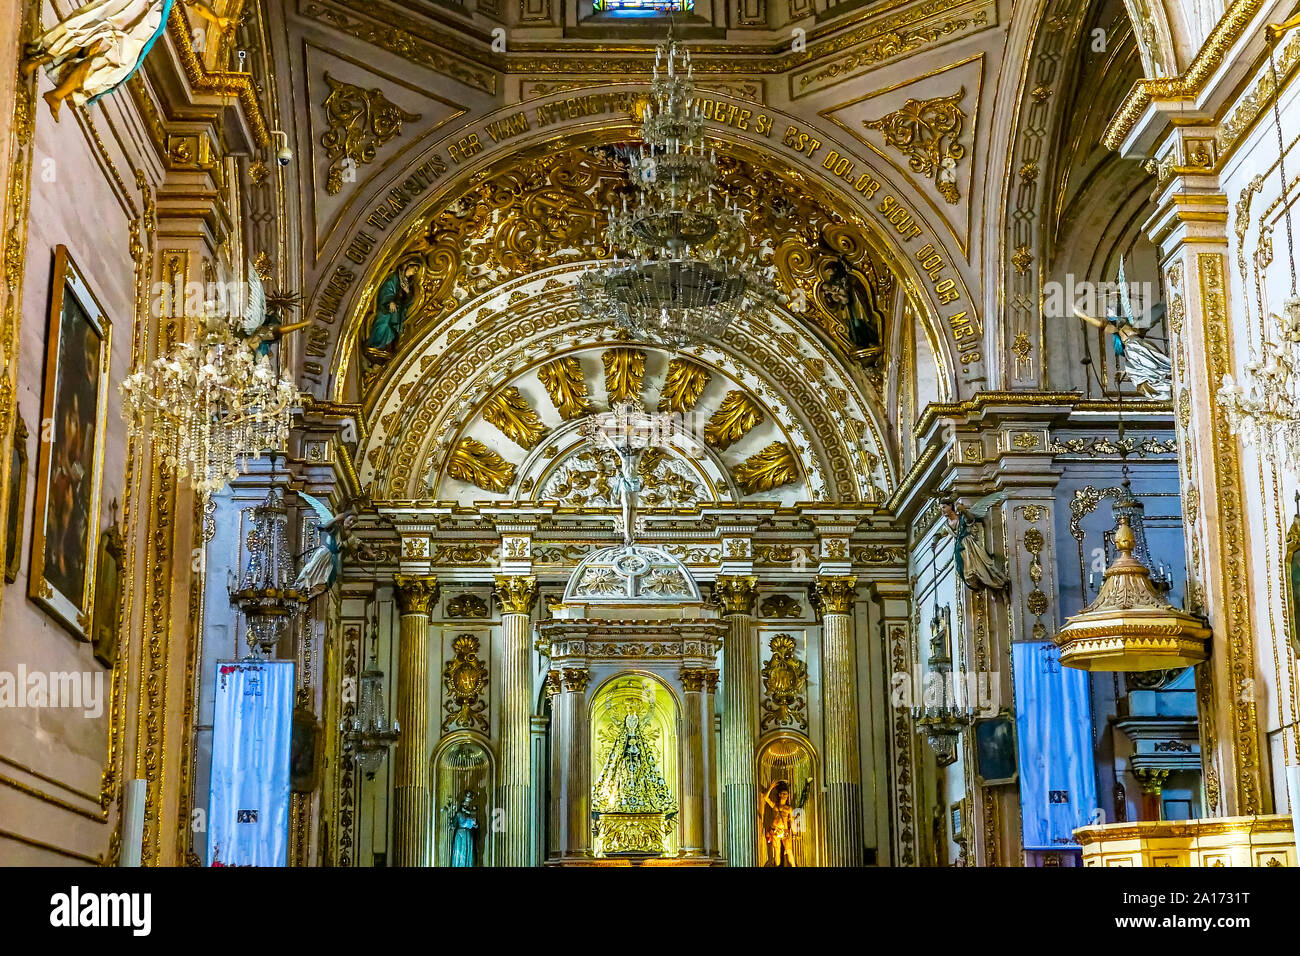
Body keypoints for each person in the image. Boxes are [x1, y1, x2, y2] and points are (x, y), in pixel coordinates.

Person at [940, 498, 1010, 590]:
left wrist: (964, 511)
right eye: (941, 509)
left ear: (950, 506)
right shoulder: (946, 524)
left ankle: (999, 582)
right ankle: (985, 586)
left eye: (944, 507)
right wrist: (934, 541)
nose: (942, 511)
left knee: (984, 565)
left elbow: (971, 519)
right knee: (965, 573)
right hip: (960, 549)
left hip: (971, 545)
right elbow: (939, 533)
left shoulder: (961, 518)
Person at [364, 261, 420, 357]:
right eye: (414, 269)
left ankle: (387, 346)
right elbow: (387, 289)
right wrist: (390, 302)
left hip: (398, 310)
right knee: (384, 324)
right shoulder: (394, 278)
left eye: (416, 271)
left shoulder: (408, 283)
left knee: (393, 328)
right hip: (387, 308)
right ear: (407, 266)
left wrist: (407, 293)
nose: (415, 272)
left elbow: (409, 300)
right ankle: (376, 345)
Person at [448, 790, 478, 867]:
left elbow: (453, 824)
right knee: (463, 852)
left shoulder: (461, 813)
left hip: (462, 833)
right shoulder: (469, 814)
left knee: (462, 852)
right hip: (466, 834)